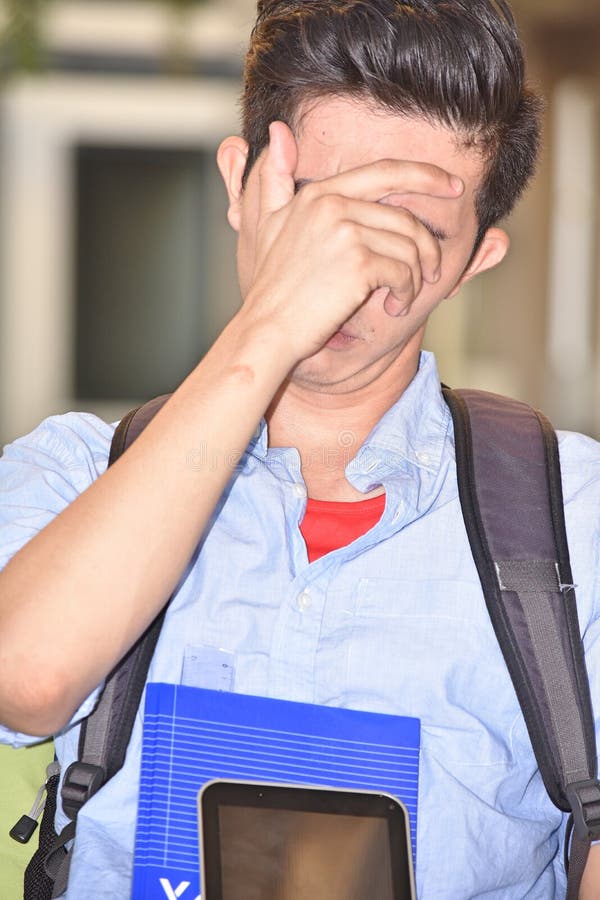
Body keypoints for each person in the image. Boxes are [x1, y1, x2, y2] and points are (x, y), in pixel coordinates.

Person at [0, 0, 599, 896]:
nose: (357, 274)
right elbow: (24, 679)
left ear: (478, 258)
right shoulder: (82, 470)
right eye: (324, 213)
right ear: (240, 183)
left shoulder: (574, 518)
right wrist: (271, 326)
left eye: (416, 235)